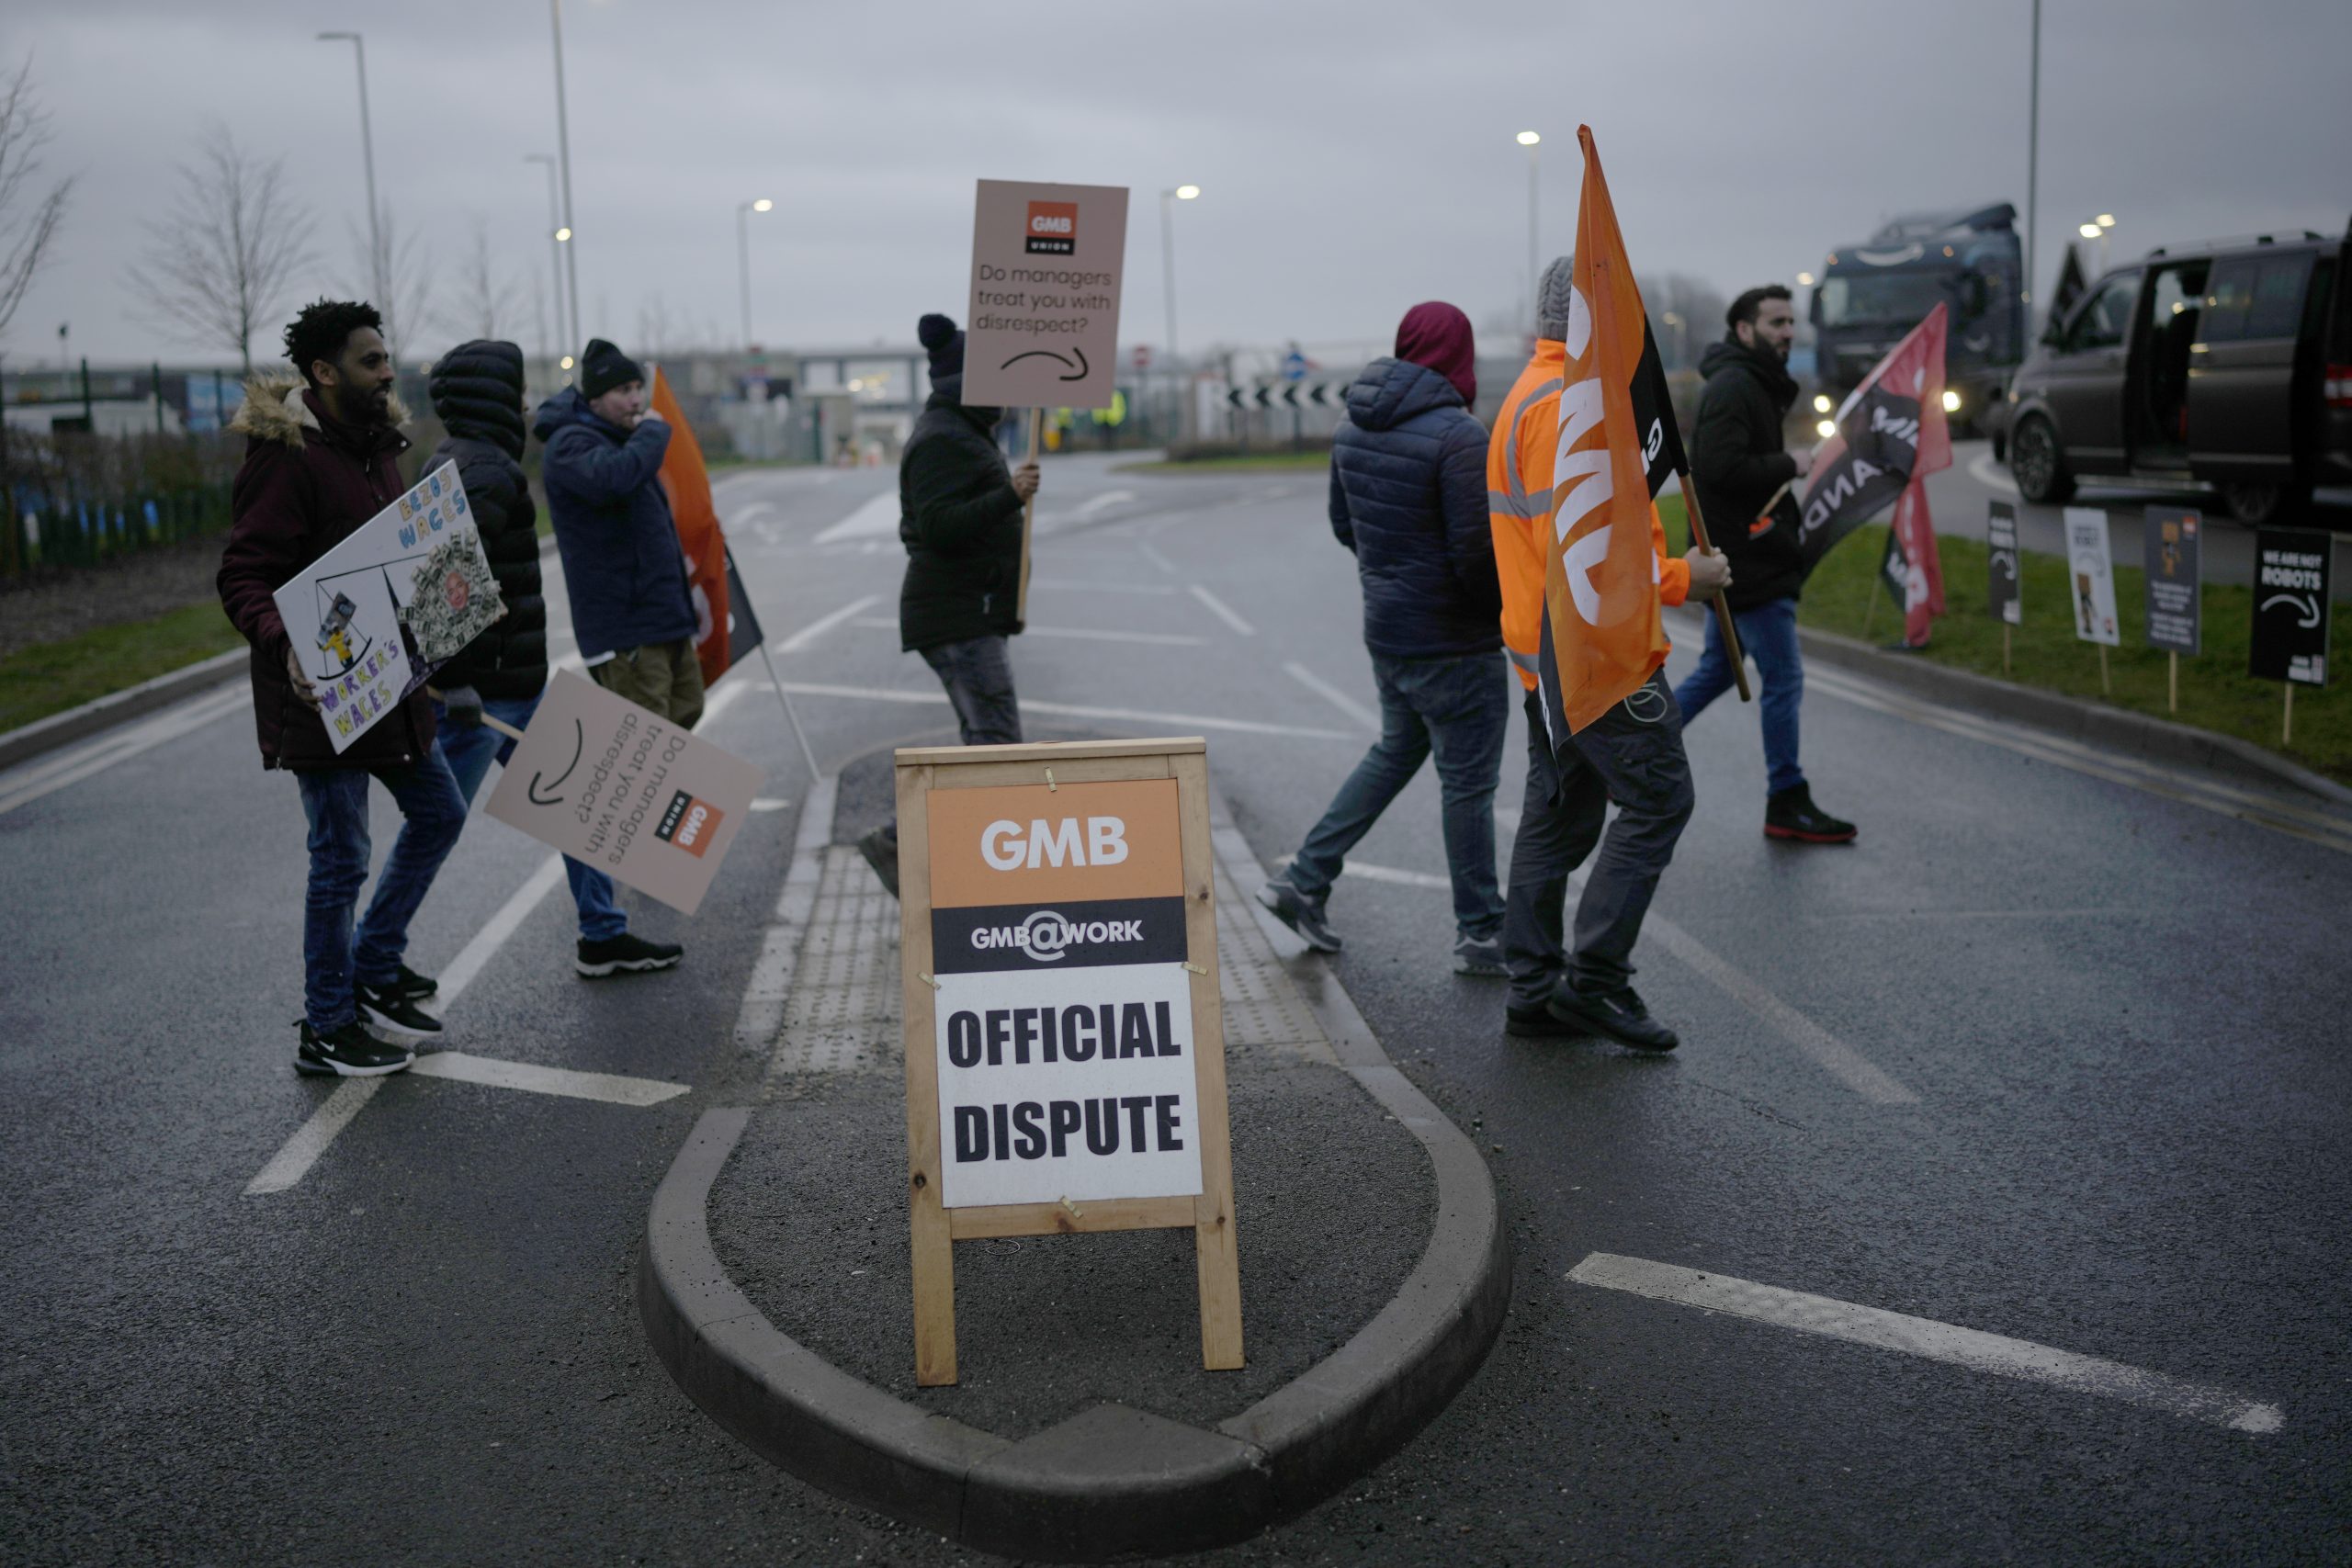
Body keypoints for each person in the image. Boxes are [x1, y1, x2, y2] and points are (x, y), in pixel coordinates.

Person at [1487, 258, 1732, 1052]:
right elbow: (1590, 554)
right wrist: (1685, 577)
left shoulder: (1532, 394)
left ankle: (1533, 988)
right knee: (1659, 800)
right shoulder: (1572, 409)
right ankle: (1594, 980)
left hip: (1548, 656)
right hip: (1599, 655)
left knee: (1558, 817)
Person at [217, 299, 462, 1077]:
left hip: (391, 684)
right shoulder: (287, 456)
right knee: (341, 858)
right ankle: (326, 1025)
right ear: (323, 372)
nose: (387, 371)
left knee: (440, 812)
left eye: (386, 357)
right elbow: (243, 574)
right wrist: (285, 641)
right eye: (370, 360)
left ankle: (375, 965)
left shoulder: (376, 446)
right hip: (321, 697)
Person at [1256, 301, 1510, 976]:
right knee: (1468, 786)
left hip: (1389, 631)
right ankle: (1482, 932)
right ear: (1459, 355)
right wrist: (1504, 615)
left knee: (1395, 751)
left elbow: (1346, 526)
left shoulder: (1352, 426)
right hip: (1456, 643)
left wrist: (1393, 573)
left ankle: (1303, 879)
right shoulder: (1460, 435)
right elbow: (1476, 555)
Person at [424, 340, 680, 978]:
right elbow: (439, 584)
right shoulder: (485, 472)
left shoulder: (480, 463)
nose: (525, 402)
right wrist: (452, 679)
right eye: (516, 390)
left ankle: (602, 933)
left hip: (517, 682)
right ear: (492, 397)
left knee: (578, 803)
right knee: (432, 827)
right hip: (480, 694)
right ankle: (371, 958)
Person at [856, 311, 1039, 896]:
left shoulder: (963, 429)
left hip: (969, 610)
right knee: (996, 746)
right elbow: (938, 527)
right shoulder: (943, 437)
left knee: (986, 745)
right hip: (956, 615)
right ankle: (900, 844)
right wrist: (1008, 496)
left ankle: (957, 867)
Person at [532, 337, 696, 975]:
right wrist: (652, 433)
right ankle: (625, 865)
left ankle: (643, 836)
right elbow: (615, 479)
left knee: (682, 716)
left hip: (661, 617)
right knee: (642, 742)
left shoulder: (617, 439)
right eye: (624, 391)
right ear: (595, 396)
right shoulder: (573, 445)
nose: (636, 401)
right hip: (626, 627)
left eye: (638, 389)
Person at [1672, 285, 1856, 843]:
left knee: (1718, 668)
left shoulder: (1752, 381)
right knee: (1783, 678)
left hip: (1736, 555)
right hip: (1747, 561)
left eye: (1791, 322)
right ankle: (1786, 798)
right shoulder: (1735, 385)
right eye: (1776, 323)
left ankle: (1631, 755)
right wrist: (1788, 463)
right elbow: (1716, 469)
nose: (1788, 332)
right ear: (1745, 330)